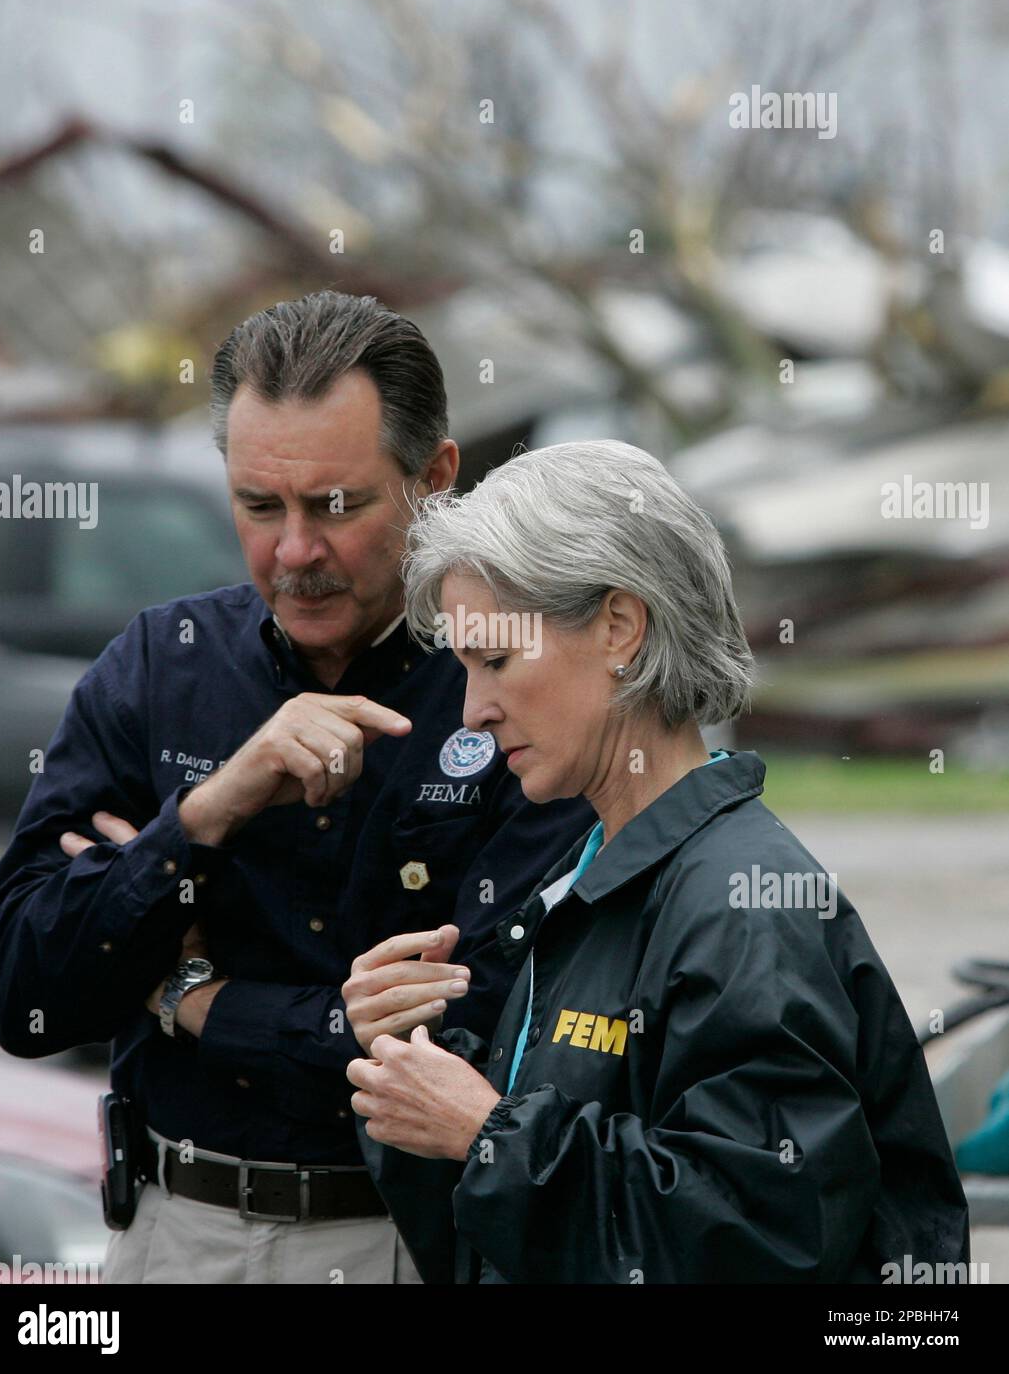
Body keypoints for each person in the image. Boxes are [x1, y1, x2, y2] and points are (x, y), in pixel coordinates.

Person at [0, 293, 594, 1285]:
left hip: (408, 1239)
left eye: (337, 507)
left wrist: (189, 995)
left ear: (435, 479)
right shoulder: (158, 666)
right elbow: (18, 995)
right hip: (172, 1234)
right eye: (261, 507)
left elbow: (470, 1042)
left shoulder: (507, 688)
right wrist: (207, 813)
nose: (296, 552)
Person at [344, 438, 970, 1284]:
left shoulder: (740, 903)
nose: (473, 712)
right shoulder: (594, 879)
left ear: (619, 628)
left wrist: (490, 1136)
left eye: (494, 659)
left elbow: (765, 1243)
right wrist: (415, 1075)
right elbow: (505, 1245)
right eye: (461, 668)